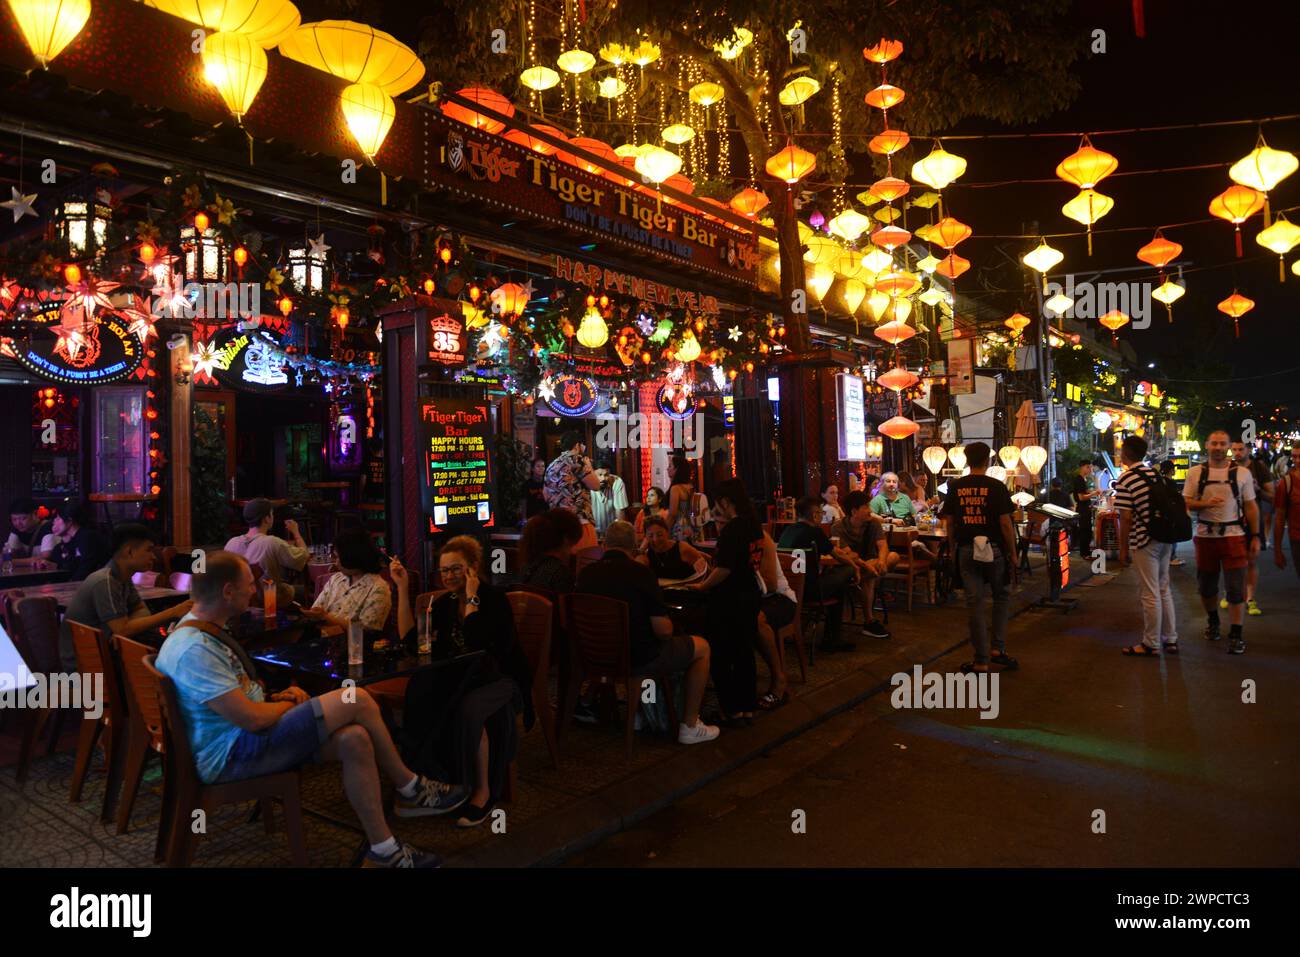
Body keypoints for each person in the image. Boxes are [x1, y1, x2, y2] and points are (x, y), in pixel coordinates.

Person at [156, 552, 463, 868]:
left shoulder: (197, 631)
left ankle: (383, 849)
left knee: (354, 738)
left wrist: (275, 696)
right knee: (354, 698)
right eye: (249, 584)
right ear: (227, 592)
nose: (254, 590)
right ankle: (410, 786)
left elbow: (240, 702)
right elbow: (250, 718)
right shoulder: (195, 648)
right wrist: (287, 703)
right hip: (231, 755)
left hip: (238, 739)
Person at [392, 537, 531, 827]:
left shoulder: (494, 599)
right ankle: (434, 781)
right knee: (424, 692)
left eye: (456, 569)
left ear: (473, 569)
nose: (449, 576)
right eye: (444, 571)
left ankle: (482, 791)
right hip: (464, 678)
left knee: (468, 708)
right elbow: (410, 643)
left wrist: (471, 597)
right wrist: (402, 589)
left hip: (502, 679)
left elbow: (479, 643)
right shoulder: (444, 604)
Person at [577, 521, 718, 744]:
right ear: (634, 546)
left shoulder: (585, 574)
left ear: (604, 544)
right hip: (637, 658)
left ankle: (641, 714)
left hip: (594, 657)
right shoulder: (641, 574)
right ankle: (690, 725)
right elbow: (663, 632)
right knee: (702, 647)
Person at [59, 524, 193, 672]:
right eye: (149, 550)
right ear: (129, 552)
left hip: (102, 653)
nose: (154, 556)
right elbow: (123, 629)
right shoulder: (106, 581)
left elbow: (141, 610)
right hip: (83, 667)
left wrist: (124, 630)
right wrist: (174, 611)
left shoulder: (122, 578)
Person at [683, 479, 762, 723]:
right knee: (744, 653)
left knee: (721, 655)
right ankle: (747, 706)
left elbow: (724, 569)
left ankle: (730, 708)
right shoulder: (753, 525)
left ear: (726, 503)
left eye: (718, 505)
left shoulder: (733, 530)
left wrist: (702, 586)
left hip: (731, 600)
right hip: (750, 594)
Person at [940, 442, 1019, 673]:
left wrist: (953, 546)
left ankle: (981, 660)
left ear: (966, 460)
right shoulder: (996, 486)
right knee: (1001, 596)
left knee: (974, 603)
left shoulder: (956, 486)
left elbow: (950, 522)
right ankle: (997, 649)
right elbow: (1005, 523)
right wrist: (1013, 554)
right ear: (987, 461)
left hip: (965, 549)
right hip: (994, 548)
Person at [1183, 430, 1259, 655]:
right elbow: (1186, 502)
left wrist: (1255, 536)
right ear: (1206, 445)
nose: (1217, 447)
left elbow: (1251, 506)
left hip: (1234, 536)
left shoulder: (1242, 473)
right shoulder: (1195, 473)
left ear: (1227, 446)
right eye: (1214, 443)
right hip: (1206, 537)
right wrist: (1204, 504)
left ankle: (1236, 634)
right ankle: (1214, 621)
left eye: (1222, 444)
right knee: (1206, 586)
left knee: (1236, 588)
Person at [1115, 436, 1178, 657]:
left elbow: (1126, 518)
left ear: (1126, 453)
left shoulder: (1126, 479)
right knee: (1163, 588)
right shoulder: (1154, 474)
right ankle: (1170, 639)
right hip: (1164, 537)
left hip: (1144, 540)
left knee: (1149, 593)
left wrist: (1123, 549)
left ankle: (1151, 643)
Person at [779, 496, 862, 653]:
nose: (822, 515)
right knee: (845, 572)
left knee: (837, 586)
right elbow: (837, 556)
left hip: (788, 591)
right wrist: (855, 567)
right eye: (820, 512)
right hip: (810, 591)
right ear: (814, 514)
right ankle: (832, 639)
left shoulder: (787, 531)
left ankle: (830, 637)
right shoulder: (814, 532)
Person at [831, 491, 897, 640]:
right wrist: (869, 567)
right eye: (866, 506)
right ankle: (869, 621)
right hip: (851, 567)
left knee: (893, 557)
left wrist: (880, 562)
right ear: (854, 511)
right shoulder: (838, 527)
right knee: (870, 578)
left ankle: (869, 620)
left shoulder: (873, 523)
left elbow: (882, 546)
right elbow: (850, 556)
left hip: (868, 568)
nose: (870, 510)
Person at [302, 527, 391, 632]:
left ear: (352, 558)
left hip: (352, 644)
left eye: (338, 557)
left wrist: (326, 617)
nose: (336, 563)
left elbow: (367, 629)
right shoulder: (336, 579)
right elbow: (317, 609)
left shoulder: (378, 588)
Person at [224, 498, 310, 593]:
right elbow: (303, 557)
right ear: (267, 518)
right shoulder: (271, 542)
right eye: (272, 514)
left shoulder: (231, 543)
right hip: (270, 600)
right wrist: (296, 532)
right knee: (306, 590)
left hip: (241, 601)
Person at [1231, 440, 1273, 615]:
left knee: (1251, 560)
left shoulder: (1259, 467)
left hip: (1252, 520)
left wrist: (1257, 489)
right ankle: (1233, 594)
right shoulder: (1228, 467)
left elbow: (1272, 497)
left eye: (1241, 449)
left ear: (1248, 450)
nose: (1237, 453)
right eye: (1234, 449)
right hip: (1231, 520)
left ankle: (1250, 598)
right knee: (1232, 561)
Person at [754, 529, 793, 710]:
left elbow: (770, 584)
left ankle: (779, 679)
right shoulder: (727, 539)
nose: (719, 524)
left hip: (779, 598)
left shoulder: (762, 539)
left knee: (755, 620)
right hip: (753, 599)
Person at [543, 431, 602, 549]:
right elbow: (596, 485)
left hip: (557, 524)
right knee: (584, 561)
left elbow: (545, 495)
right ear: (577, 445)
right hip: (579, 524)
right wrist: (589, 466)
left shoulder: (552, 465)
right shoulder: (577, 459)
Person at [518, 508, 584, 593]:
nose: (572, 552)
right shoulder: (560, 573)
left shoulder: (527, 566)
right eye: (572, 545)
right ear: (566, 540)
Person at [43, 501, 110, 581]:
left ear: (70, 520)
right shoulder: (65, 545)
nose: (54, 522)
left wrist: (68, 584)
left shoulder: (87, 537)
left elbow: (87, 569)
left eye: (58, 518)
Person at [639, 515, 708, 580]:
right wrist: (641, 549)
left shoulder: (682, 548)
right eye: (650, 536)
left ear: (667, 532)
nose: (655, 539)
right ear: (646, 537)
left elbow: (705, 570)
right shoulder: (646, 554)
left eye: (659, 535)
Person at [1273, 442, 1300, 580]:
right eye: (1294, 457)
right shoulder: (1287, 483)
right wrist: (1277, 550)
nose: (1297, 461)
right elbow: (1279, 517)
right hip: (1297, 539)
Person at [589, 452, 629, 536]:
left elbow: (620, 511)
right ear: (592, 474)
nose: (603, 478)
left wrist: (619, 533)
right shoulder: (587, 483)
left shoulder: (617, 482)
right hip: (592, 531)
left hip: (612, 531)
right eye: (599, 475)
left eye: (606, 475)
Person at [666, 456, 700, 543]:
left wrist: (665, 529)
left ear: (677, 469)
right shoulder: (690, 487)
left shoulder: (676, 488)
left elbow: (672, 514)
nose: (667, 469)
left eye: (670, 466)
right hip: (692, 527)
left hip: (679, 528)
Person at [1159, 461, 1185, 566]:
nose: (1175, 470)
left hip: (1163, 514)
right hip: (1171, 514)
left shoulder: (1159, 482)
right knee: (1173, 536)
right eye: (1174, 469)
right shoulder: (1171, 483)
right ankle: (1171, 558)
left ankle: (1166, 558)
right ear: (1171, 470)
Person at [1070, 461, 1098, 558]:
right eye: (1088, 467)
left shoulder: (1083, 479)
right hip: (1082, 509)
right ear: (1081, 467)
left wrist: (1090, 492)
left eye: (1090, 467)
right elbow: (1081, 497)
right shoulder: (1079, 480)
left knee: (1087, 530)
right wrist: (1094, 493)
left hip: (1085, 508)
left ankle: (1086, 552)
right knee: (1085, 530)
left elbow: (1083, 493)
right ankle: (1084, 553)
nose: (1090, 469)